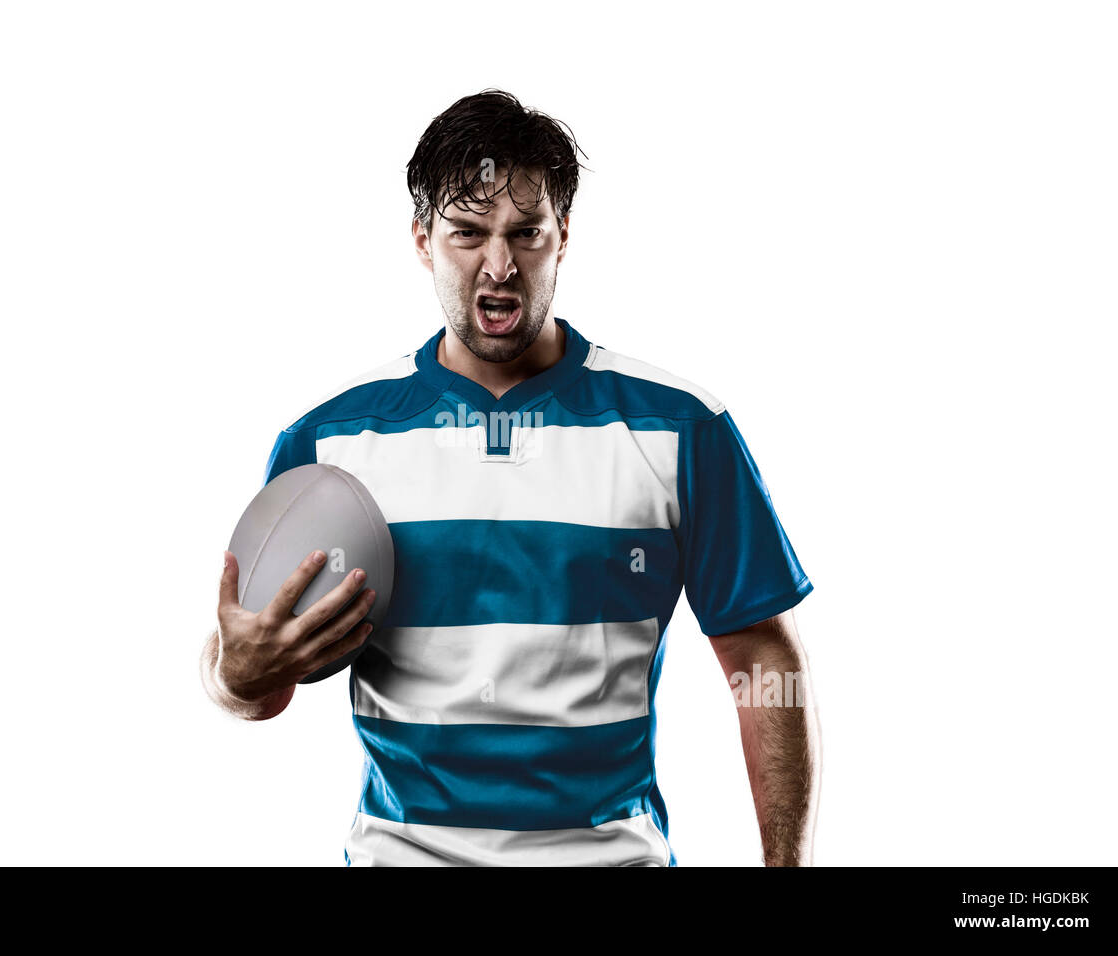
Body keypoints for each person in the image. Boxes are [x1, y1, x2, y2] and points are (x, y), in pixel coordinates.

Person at [200, 89, 819, 867]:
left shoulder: (682, 430)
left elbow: (764, 657)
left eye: (526, 232)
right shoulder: (330, 443)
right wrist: (235, 673)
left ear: (565, 238)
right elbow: (251, 681)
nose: (500, 265)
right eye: (467, 233)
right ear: (422, 239)